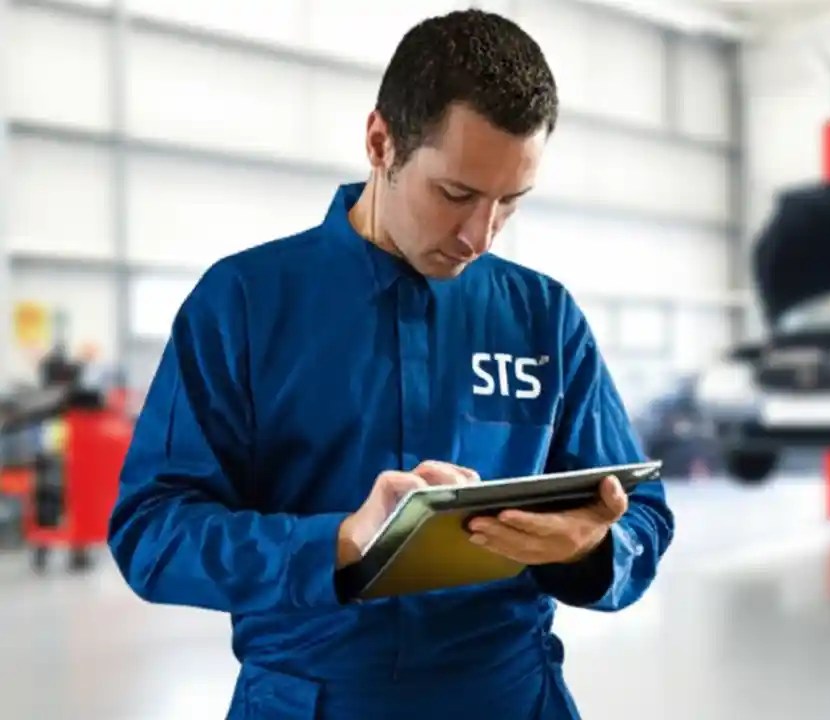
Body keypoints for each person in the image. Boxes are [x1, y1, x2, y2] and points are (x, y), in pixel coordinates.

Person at [107, 10, 675, 720]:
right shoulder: (246, 304)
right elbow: (153, 532)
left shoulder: (545, 317)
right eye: (457, 194)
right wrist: (341, 542)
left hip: (511, 695)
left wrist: (589, 549)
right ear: (381, 142)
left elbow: (643, 517)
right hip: (310, 699)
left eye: (510, 203)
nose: (480, 236)